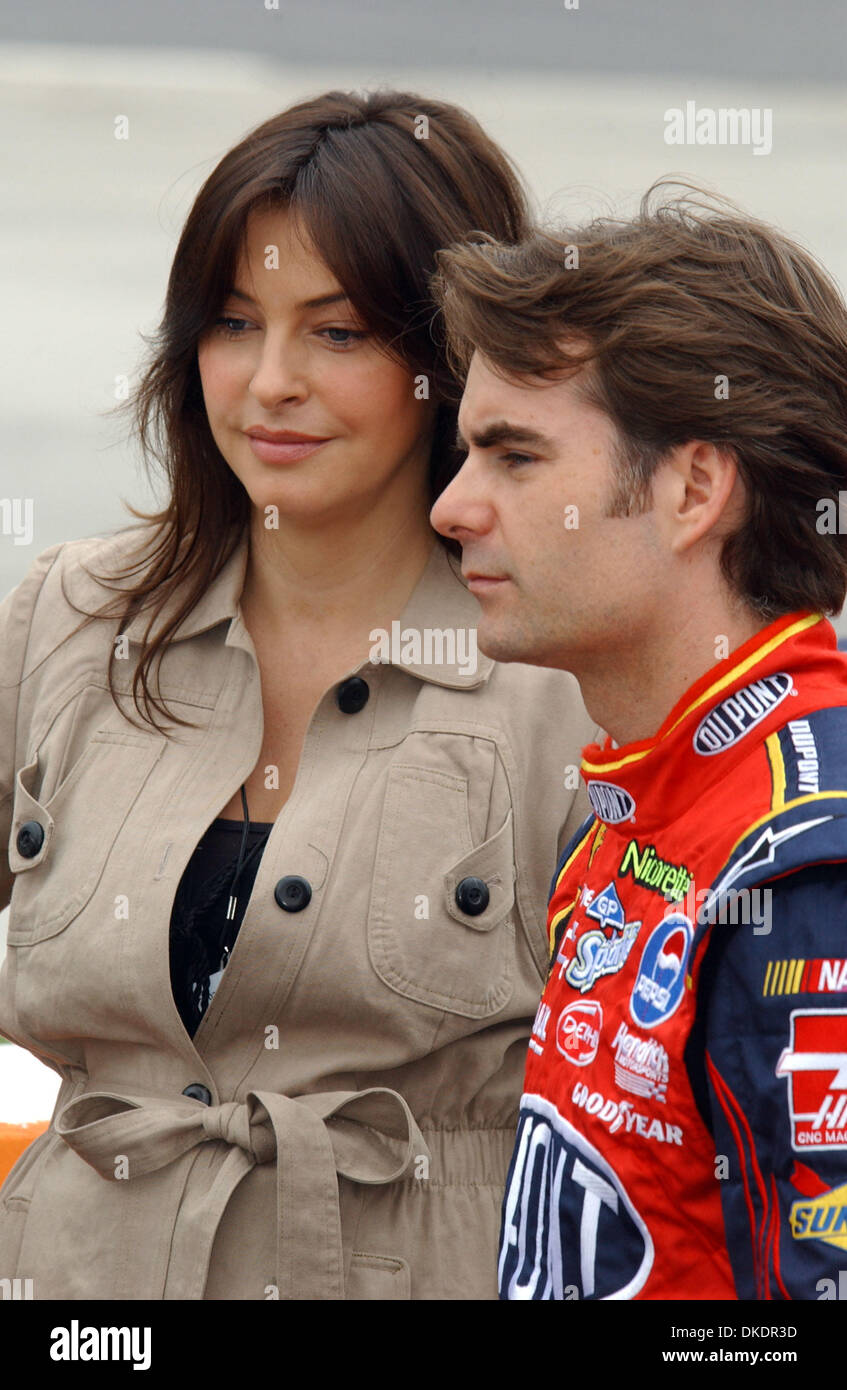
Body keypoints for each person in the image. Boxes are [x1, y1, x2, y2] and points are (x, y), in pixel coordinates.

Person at [0, 90, 598, 1301]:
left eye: (337, 334)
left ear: (451, 358)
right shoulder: (65, 618)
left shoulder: (565, 679)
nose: (270, 382)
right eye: (231, 322)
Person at [429, 183, 847, 1299]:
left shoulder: (805, 863)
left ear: (692, 488)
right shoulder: (640, 801)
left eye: (513, 458)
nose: (452, 506)